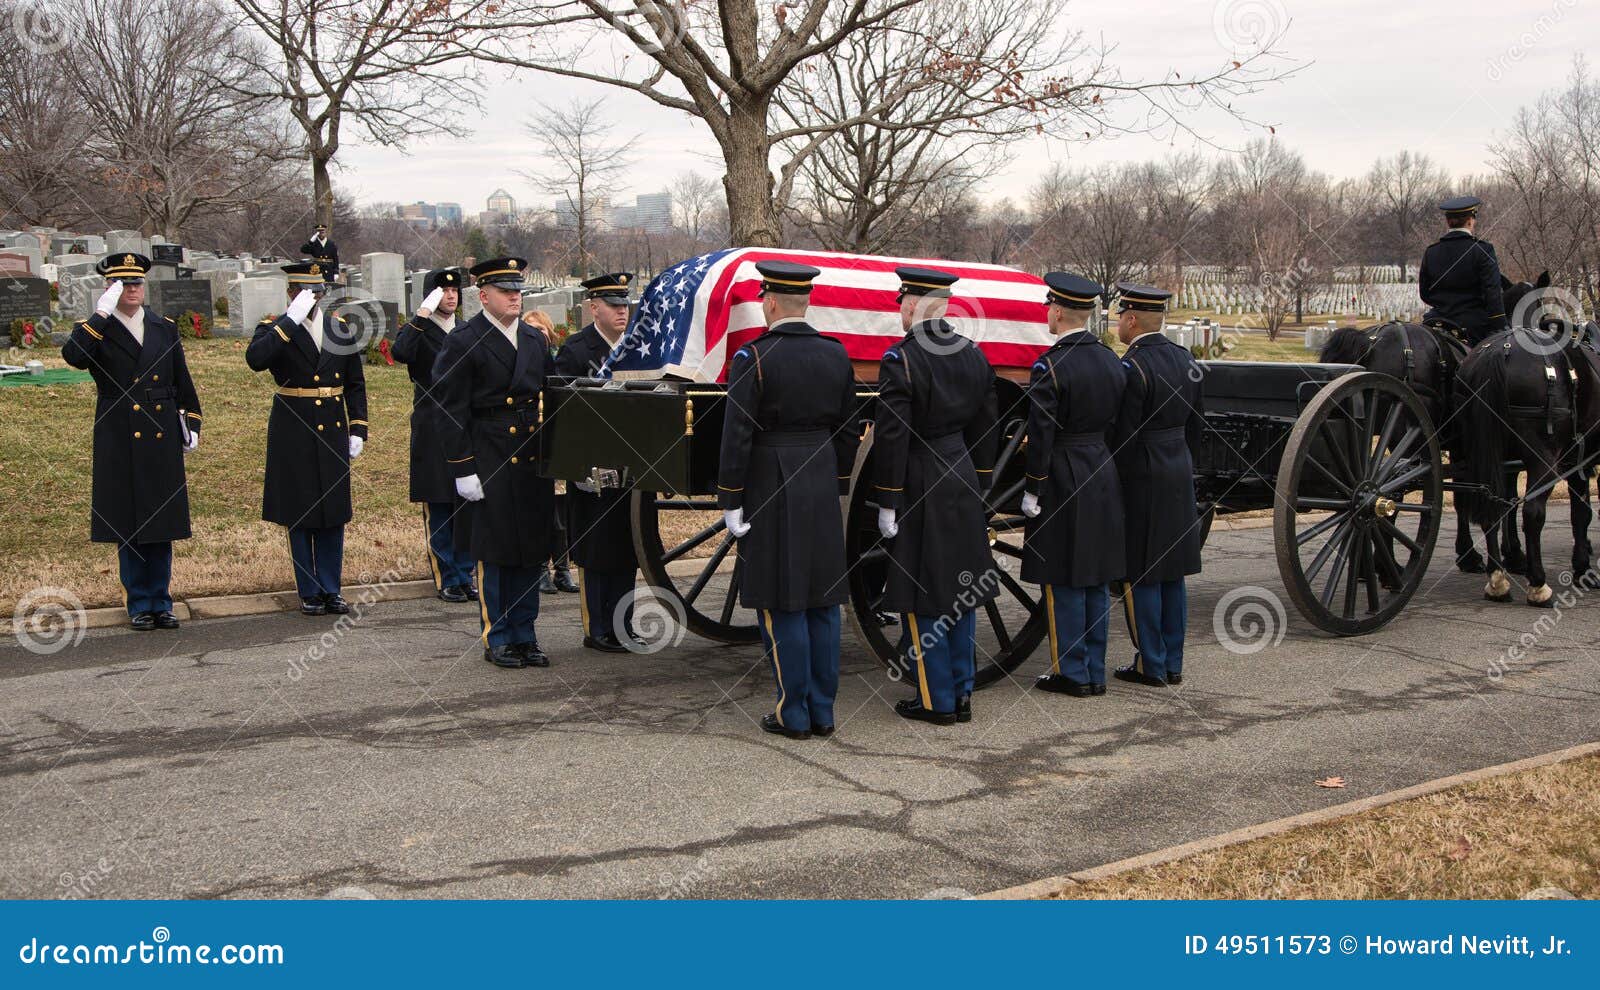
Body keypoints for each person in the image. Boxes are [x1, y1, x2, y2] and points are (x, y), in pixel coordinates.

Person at [717, 261, 859, 739]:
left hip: (771, 478)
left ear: (770, 302)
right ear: (807, 302)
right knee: (822, 599)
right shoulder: (836, 355)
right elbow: (848, 430)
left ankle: (792, 713)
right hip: (819, 474)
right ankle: (823, 711)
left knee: (782, 599)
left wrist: (730, 497)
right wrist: (834, 480)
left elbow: (736, 436)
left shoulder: (752, 358)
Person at [872, 266, 998, 726]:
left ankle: (935, 700)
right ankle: (961, 692)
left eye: (901, 302)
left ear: (911, 304)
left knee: (923, 592)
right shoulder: (974, 354)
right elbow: (987, 428)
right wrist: (980, 480)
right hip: (961, 470)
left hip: (922, 476)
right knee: (961, 589)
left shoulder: (901, 359)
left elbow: (893, 436)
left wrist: (888, 498)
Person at [60, 253, 202, 630]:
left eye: (137, 283)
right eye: (124, 284)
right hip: (119, 430)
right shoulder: (96, 329)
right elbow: (74, 357)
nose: (133, 289)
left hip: (160, 431)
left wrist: (192, 420)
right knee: (129, 522)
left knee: (161, 520)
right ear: (111, 288)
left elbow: (181, 378)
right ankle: (139, 601)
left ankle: (161, 599)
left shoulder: (163, 326)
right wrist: (100, 315)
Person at [432, 257, 557, 669]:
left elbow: (551, 398)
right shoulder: (464, 339)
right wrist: (463, 467)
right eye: (506, 291)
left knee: (530, 548)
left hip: (529, 452)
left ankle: (526, 633)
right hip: (488, 451)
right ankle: (498, 634)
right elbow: (448, 409)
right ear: (483, 296)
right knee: (498, 547)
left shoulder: (534, 340)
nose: (515, 296)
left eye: (518, 290)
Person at [1019, 273, 1126, 697]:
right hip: (1101, 467)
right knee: (1096, 576)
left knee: (1063, 574)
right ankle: (1093, 669)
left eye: (1050, 307)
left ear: (1059, 310)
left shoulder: (1050, 366)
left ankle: (1070, 672)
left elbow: (1041, 435)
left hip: (1063, 473)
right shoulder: (1111, 361)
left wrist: (1033, 487)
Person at [245, 262, 368, 615]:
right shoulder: (273, 328)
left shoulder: (339, 329)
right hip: (293, 426)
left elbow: (355, 383)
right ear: (290, 293)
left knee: (332, 511)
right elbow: (256, 359)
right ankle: (309, 589)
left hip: (332, 425)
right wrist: (289, 321)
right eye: (302, 292)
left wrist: (358, 426)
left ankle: (331, 587)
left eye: (315, 292)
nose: (310, 298)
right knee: (300, 510)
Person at [1108, 283, 1203, 688]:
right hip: (1178, 466)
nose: (1116, 323)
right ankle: (1173, 661)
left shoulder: (1132, 368)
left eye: (1118, 316)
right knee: (1171, 570)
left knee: (1142, 571)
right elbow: (1196, 425)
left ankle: (1151, 662)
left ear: (1131, 319)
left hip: (1143, 473)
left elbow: (1122, 438)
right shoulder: (1186, 359)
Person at [555, 273, 644, 652]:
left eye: (625, 304)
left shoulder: (639, 348)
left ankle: (623, 624)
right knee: (596, 549)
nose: (623, 311)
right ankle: (598, 627)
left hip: (631, 463)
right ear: (594, 308)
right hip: (592, 466)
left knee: (628, 547)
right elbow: (564, 415)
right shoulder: (576, 351)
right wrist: (577, 468)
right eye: (614, 305)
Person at [392, 267, 476, 604]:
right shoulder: (420, 330)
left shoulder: (467, 330)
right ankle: (447, 577)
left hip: (465, 422)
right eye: (443, 289)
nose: (451, 295)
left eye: (455, 289)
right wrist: (421, 314)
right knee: (440, 501)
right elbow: (400, 353)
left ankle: (466, 573)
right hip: (432, 421)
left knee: (465, 503)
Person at [1419, 195, 1508, 346]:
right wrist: (1501, 326)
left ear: (1448, 221)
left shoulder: (1431, 251)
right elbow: (1492, 293)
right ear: (1470, 221)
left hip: (1435, 321)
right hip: (1473, 325)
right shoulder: (1483, 250)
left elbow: (1425, 294)